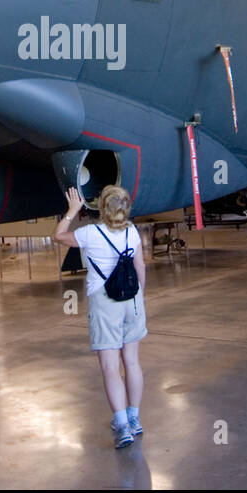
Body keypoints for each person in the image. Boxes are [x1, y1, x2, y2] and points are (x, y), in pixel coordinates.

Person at [53, 184, 147, 448]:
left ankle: (122, 426)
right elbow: (140, 267)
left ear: (101, 208)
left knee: (109, 366)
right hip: (133, 300)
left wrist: (72, 210)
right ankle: (135, 418)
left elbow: (58, 235)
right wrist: (139, 299)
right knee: (132, 361)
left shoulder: (91, 233)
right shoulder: (132, 231)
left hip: (105, 303)